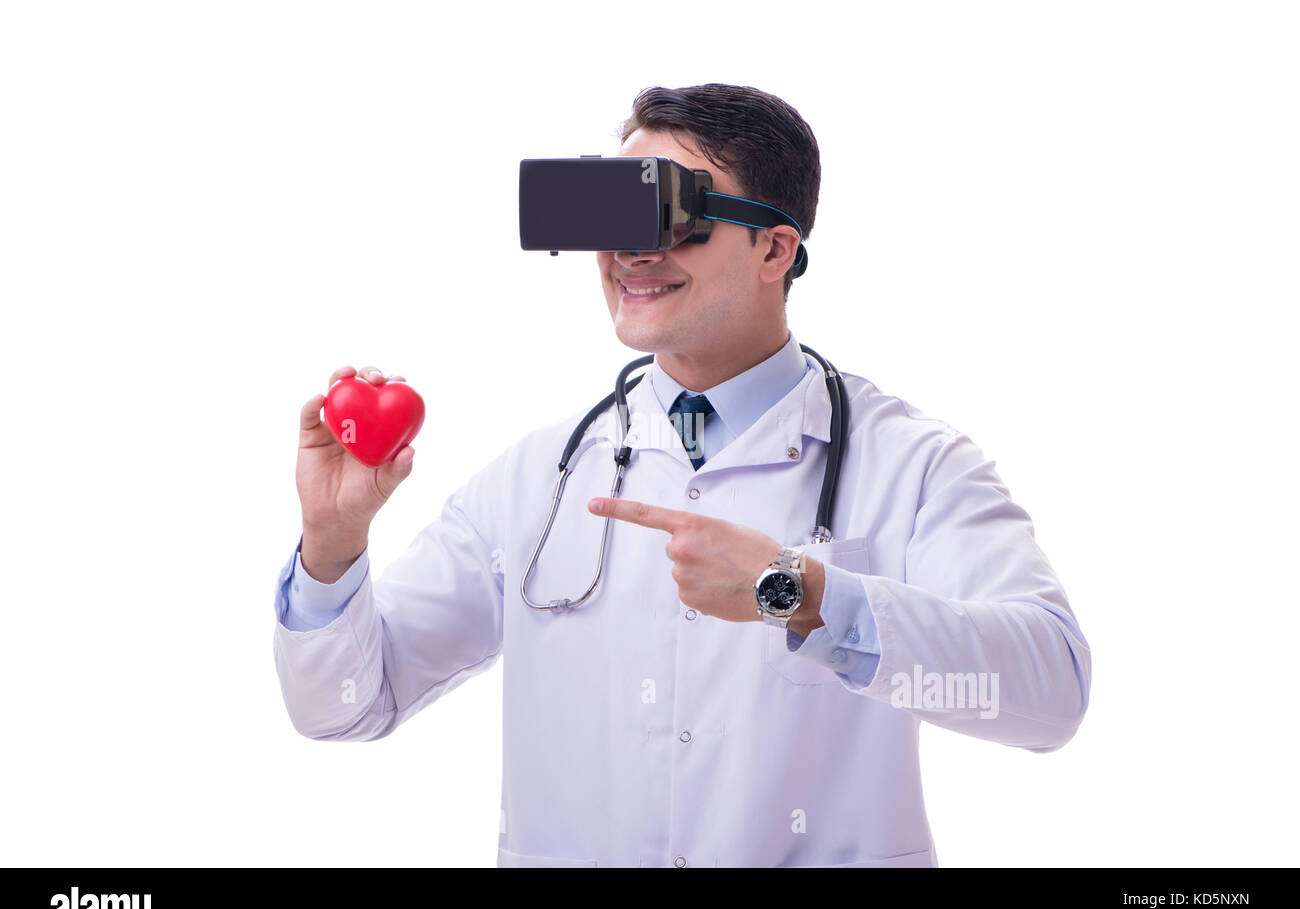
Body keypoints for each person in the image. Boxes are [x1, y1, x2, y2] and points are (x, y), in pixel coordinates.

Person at [272, 83, 1092, 867]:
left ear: (775, 247)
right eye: (610, 211)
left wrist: (799, 590)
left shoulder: (913, 466)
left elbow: (1050, 691)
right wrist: (332, 548)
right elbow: (343, 704)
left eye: (670, 212)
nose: (631, 250)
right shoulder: (535, 482)